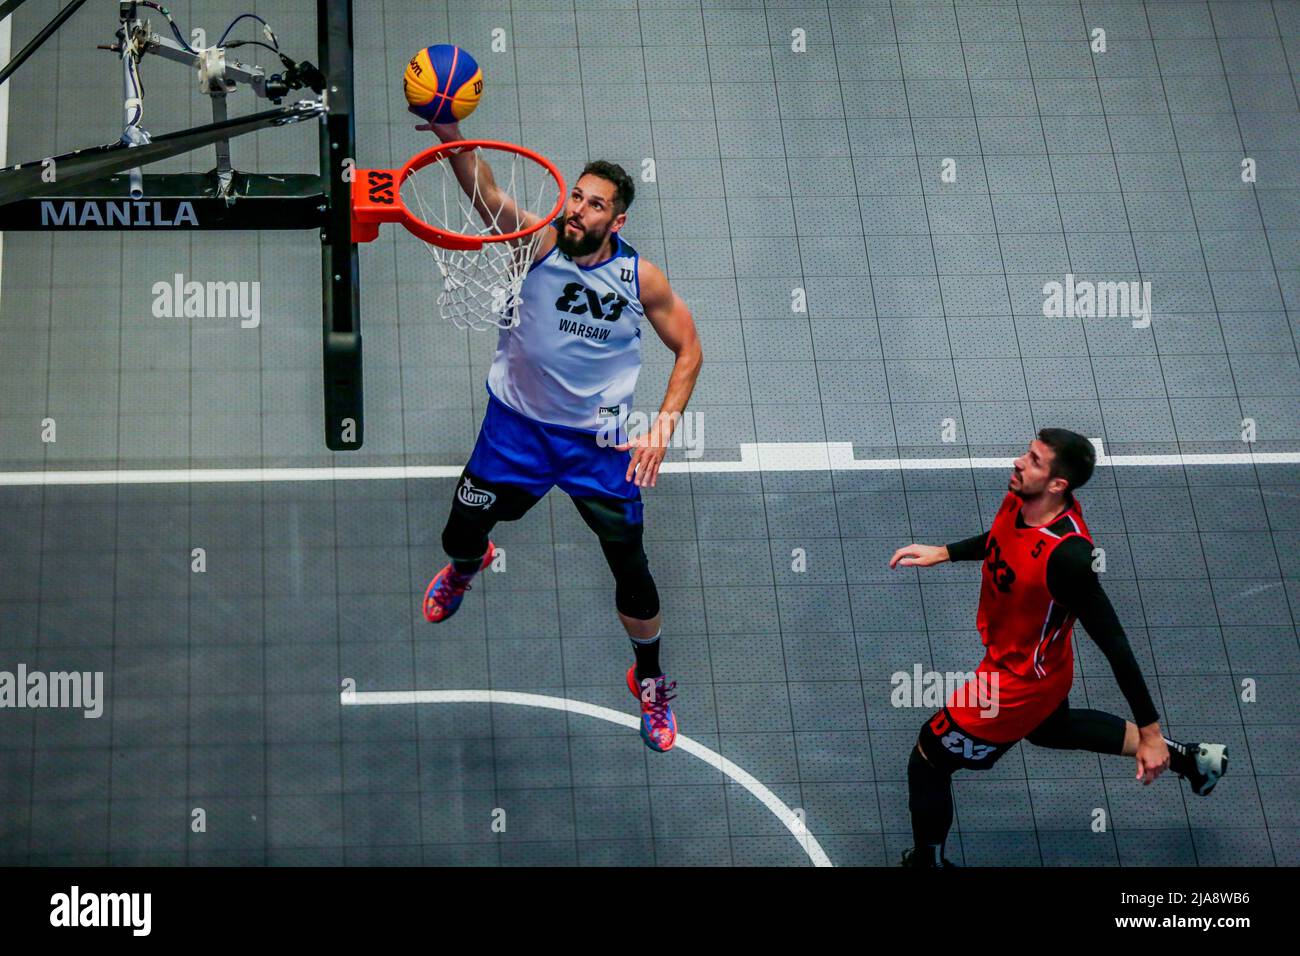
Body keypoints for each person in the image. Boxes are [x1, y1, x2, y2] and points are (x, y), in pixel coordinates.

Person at [416, 119, 703, 754]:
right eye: (575, 196)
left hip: (597, 447)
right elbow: (486, 195)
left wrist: (661, 426)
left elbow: (688, 349)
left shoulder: (640, 281)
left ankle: (648, 677)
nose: (577, 210)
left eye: (594, 204)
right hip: (514, 430)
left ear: (617, 221)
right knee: (458, 535)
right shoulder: (537, 246)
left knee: (632, 569)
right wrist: (450, 130)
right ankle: (470, 567)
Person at [889, 428, 1228, 866]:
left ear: (1057, 484)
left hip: (1015, 684)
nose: (1017, 462)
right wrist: (945, 552)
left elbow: (1115, 643)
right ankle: (1192, 760)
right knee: (1051, 730)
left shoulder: (1068, 557)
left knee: (928, 761)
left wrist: (1150, 731)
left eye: (1032, 459)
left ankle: (926, 864)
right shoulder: (1021, 500)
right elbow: (1000, 542)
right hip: (1046, 666)